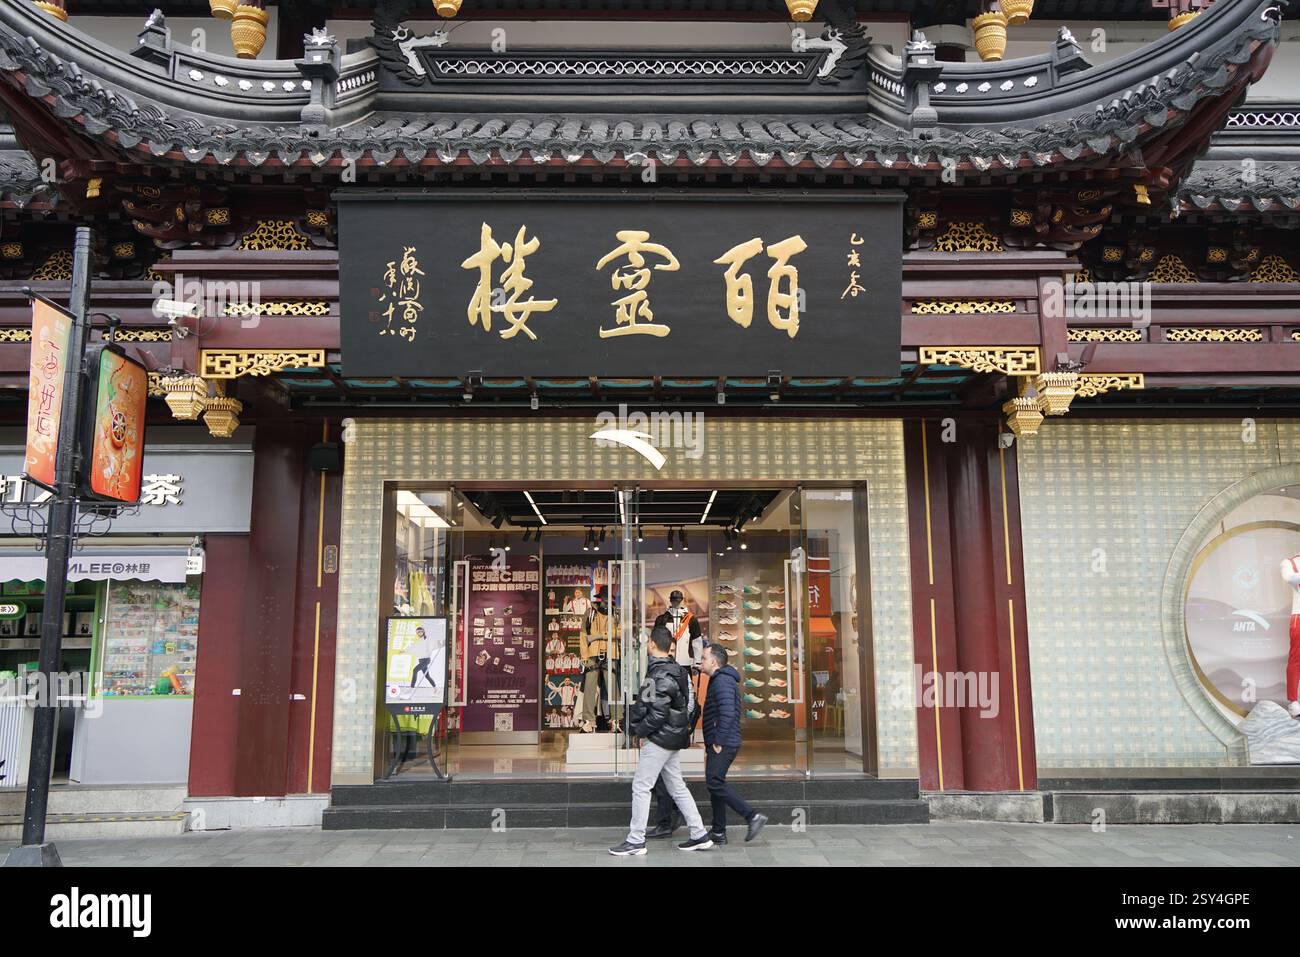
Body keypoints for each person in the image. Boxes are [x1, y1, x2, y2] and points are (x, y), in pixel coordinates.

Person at [608, 625, 713, 856]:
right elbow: (671, 706)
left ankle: (636, 840)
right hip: (672, 737)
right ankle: (699, 834)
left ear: (653, 644)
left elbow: (656, 713)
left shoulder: (658, 673)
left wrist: (638, 731)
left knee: (641, 787)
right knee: (677, 786)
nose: (647, 645)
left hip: (659, 739)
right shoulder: (677, 671)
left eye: (648, 642)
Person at [646, 588, 704, 838]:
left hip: (684, 666)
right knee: (672, 781)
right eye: (675, 600)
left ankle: (656, 828)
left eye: (679, 600)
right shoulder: (662, 619)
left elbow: (697, 642)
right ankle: (692, 828)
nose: (677, 603)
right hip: (670, 666)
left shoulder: (691, 619)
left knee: (658, 782)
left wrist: (698, 662)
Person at [699, 644, 767, 844]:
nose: (701, 661)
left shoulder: (722, 681)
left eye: (704, 658)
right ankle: (719, 832)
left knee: (714, 782)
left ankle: (752, 816)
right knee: (716, 783)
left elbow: (728, 712)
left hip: (724, 742)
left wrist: (718, 740)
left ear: (714, 661)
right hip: (720, 740)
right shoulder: (719, 680)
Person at [578, 591, 619, 733]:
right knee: (589, 687)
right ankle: (589, 721)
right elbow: (583, 635)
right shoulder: (590, 613)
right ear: (601, 598)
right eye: (605, 598)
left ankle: (616, 720)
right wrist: (584, 656)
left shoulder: (616, 613)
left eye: (610, 598)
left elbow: (621, 632)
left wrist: (599, 636)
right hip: (593, 653)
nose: (607, 601)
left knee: (613, 687)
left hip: (611, 653)